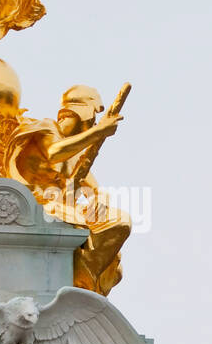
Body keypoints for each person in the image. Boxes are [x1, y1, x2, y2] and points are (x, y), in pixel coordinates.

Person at [8, 86, 131, 295]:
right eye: (88, 122)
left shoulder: (76, 154)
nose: (88, 127)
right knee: (70, 218)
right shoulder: (46, 129)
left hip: (67, 211)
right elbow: (53, 153)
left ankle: (83, 280)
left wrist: (99, 199)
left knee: (119, 221)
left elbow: (93, 189)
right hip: (38, 208)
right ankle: (75, 278)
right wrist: (98, 132)